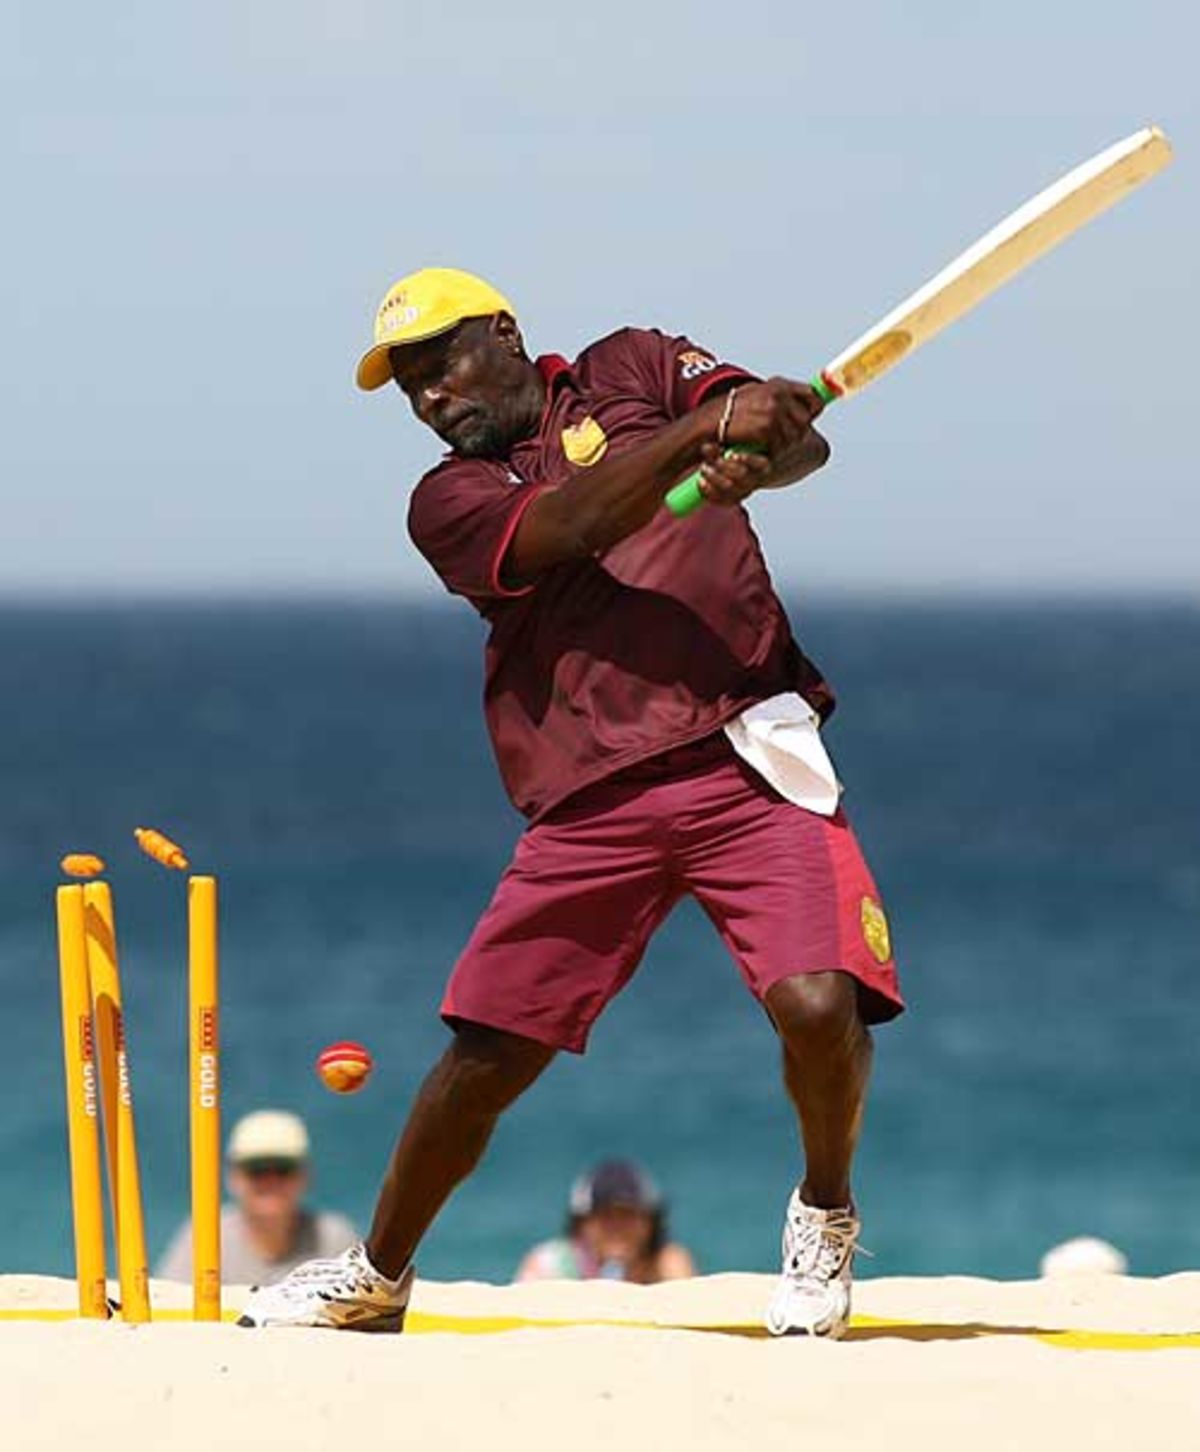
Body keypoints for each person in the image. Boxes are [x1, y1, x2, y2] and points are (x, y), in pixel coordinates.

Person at [240, 267, 904, 1337]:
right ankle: (377, 1273)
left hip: (747, 748)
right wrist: (698, 443)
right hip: (592, 795)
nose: (427, 399)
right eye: (407, 387)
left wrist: (761, 442)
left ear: (503, 333)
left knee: (821, 1006)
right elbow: (570, 524)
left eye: (437, 365)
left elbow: (796, 446)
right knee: (487, 1055)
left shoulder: (632, 365)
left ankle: (823, 1217)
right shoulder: (444, 500)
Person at [158, 1109, 358, 1287]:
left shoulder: (334, 1239)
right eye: (257, 1169)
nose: (270, 1181)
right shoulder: (205, 1236)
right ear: (232, 1176)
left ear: (304, 1175)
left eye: (283, 1169)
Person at [515, 1159, 695, 1284]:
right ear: (581, 1224)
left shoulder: (666, 1262)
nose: (617, 1228)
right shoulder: (550, 1263)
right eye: (605, 1216)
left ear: (651, 1222)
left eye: (628, 1216)